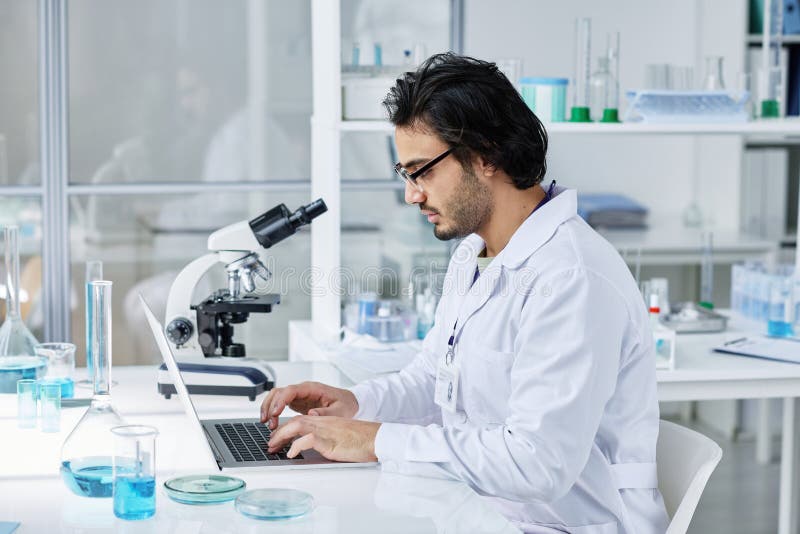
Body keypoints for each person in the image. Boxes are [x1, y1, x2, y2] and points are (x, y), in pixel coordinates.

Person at [262, 53, 669, 534]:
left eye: (423, 171)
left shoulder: (571, 278)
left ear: (486, 154)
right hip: (480, 511)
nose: (412, 194)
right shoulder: (475, 252)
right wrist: (354, 406)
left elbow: (537, 464)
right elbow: (435, 381)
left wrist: (375, 441)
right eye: (406, 174)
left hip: (565, 524)